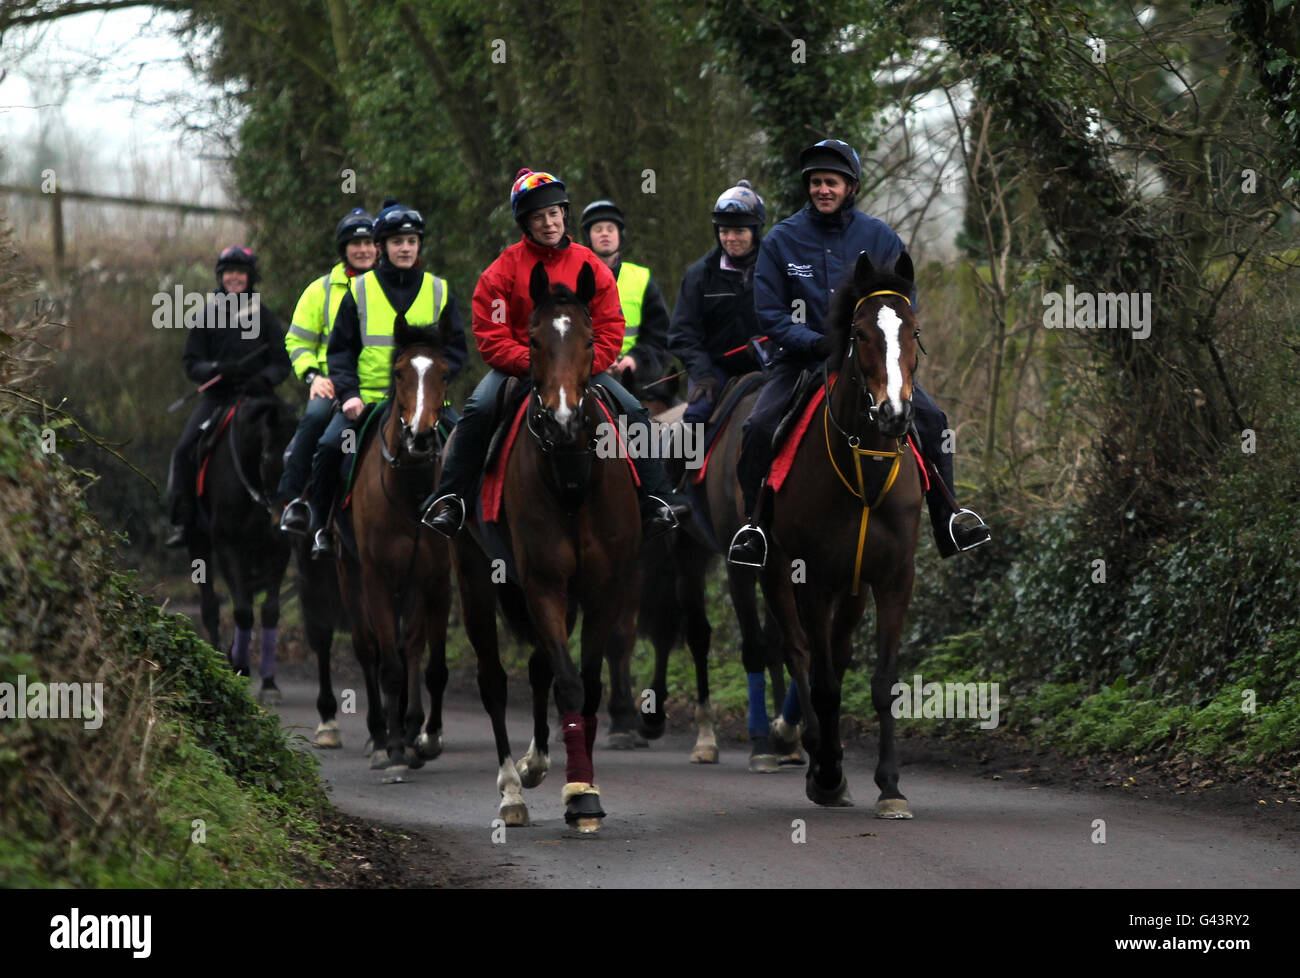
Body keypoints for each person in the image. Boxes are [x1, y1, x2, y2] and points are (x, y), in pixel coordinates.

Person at [727, 138, 990, 567]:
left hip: (871, 363)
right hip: (802, 361)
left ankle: (949, 517)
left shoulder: (881, 238)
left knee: (933, 419)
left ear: (851, 187)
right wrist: (815, 343)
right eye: (815, 182)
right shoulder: (781, 240)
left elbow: (903, 305)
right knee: (757, 427)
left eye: (831, 182)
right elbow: (771, 314)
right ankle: (754, 527)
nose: (822, 190)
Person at [421, 169, 683, 540]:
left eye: (554, 214)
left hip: (580, 369)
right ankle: (450, 499)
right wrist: (538, 365)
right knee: (478, 410)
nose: (548, 223)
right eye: (538, 217)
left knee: (634, 410)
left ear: (565, 215)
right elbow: (491, 335)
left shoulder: (591, 265)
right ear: (525, 223)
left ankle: (657, 498)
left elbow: (611, 325)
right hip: (521, 369)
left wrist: (579, 365)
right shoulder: (501, 272)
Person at [304, 200, 467, 557]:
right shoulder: (359, 291)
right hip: (368, 401)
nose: (405, 248)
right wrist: (347, 394)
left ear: (419, 245)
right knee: (330, 446)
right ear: (382, 247)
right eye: (397, 242)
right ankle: (320, 527)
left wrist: (435, 384)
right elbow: (340, 351)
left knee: (469, 446)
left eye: (411, 241)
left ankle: (469, 529)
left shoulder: (439, 290)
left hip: (427, 403)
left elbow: (457, 350)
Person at [165, 245, 290, 548]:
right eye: (229, 272)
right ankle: (185, 521)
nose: (235, 278)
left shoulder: (265, 316)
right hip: (218, 399)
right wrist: (217, 368)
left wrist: (264, 378)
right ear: (221, 277)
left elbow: (282, 362)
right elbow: (191, 363)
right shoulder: (206, 315)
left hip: (259, 399)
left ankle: (294, 510)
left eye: (241, 272)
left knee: (290, 437)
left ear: (250, 277)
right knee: (184, 450)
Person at [278, 207, 377, 535]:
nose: (363, 250)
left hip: (383, 381)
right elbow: (297, 340)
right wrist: (312, 376)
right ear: (343, 250)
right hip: (332, 382)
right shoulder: (319, 290)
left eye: (369, 243)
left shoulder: (392, 286)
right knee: (316, 419)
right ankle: (294, 499)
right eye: (355, 244)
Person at [668, 179, 767, 429]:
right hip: (715, 370)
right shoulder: (698, 275)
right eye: (724, 231)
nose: (730, 238)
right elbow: (682, 333)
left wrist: (772, 345)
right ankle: (677, 467)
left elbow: (792, 317)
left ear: (755, 232)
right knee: (695, 419)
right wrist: (702, 373)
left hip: (769, 365)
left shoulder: (776, 270)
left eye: (739, 232)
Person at [579, 199, 673, 400]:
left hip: (638, 379)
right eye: (598, 229)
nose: (605, 233)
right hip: (587, 377)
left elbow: (660, 337)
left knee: (681, 418)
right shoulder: (574, 279)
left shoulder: (642, 279)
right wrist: (596, 360)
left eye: (610, 228)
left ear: (620, 236)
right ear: (588, 237)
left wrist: (635, 359)